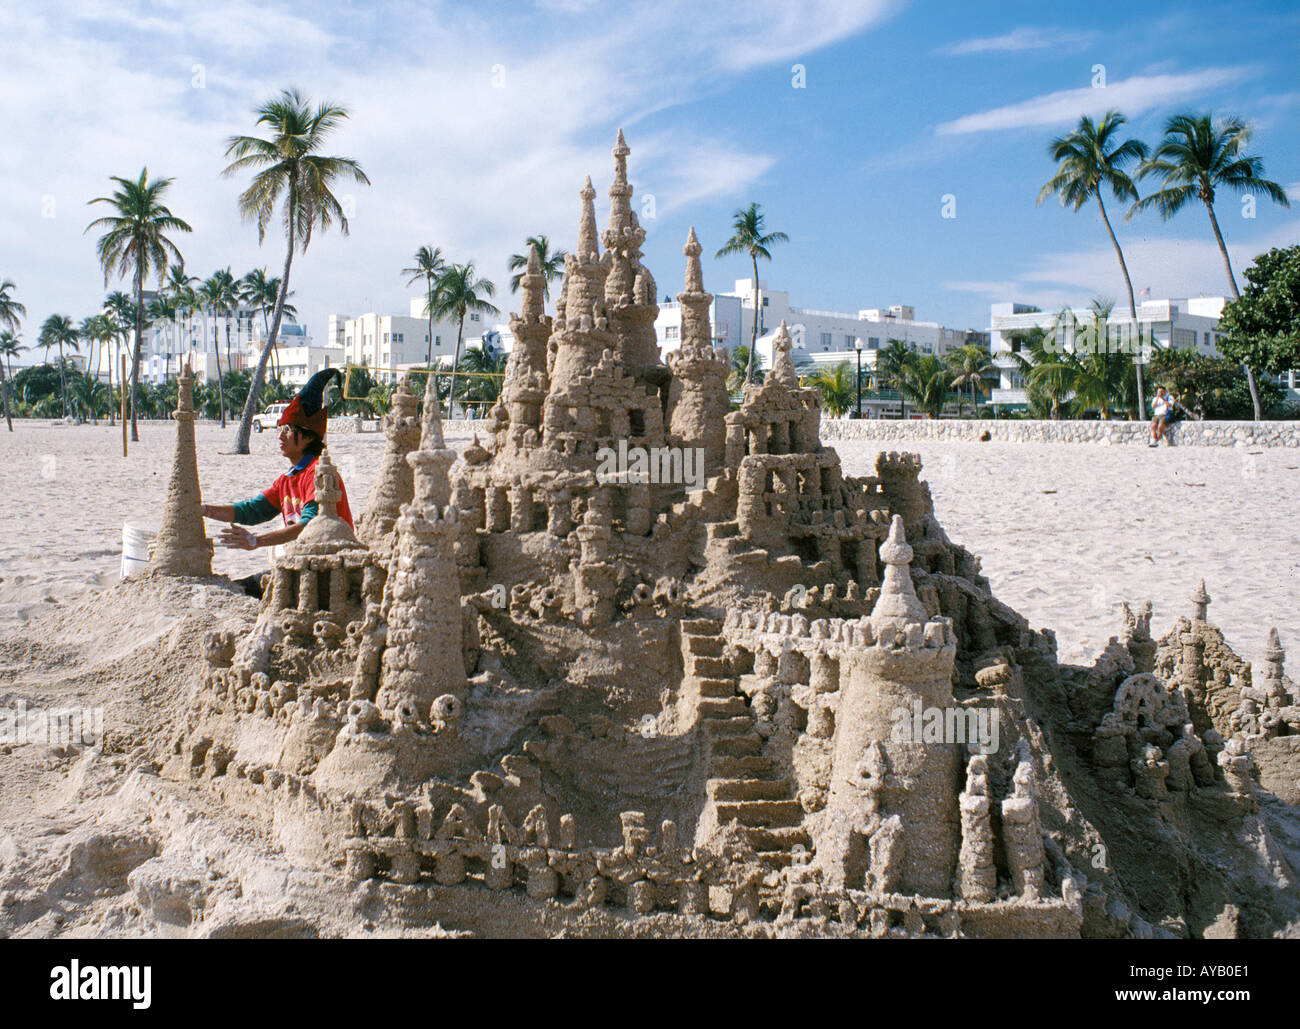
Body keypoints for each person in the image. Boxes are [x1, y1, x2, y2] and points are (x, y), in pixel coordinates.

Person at [201, 369, 353, 586]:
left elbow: (309, 526)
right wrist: (205, 510)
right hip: (303, 563)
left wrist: (256, 541)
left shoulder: (318, 473)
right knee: (242, 586)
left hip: (327, 568)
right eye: (281, 429)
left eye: (289, 430)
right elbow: (253, 510)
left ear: (309, 437)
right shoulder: (288, 479)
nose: (280, 436)